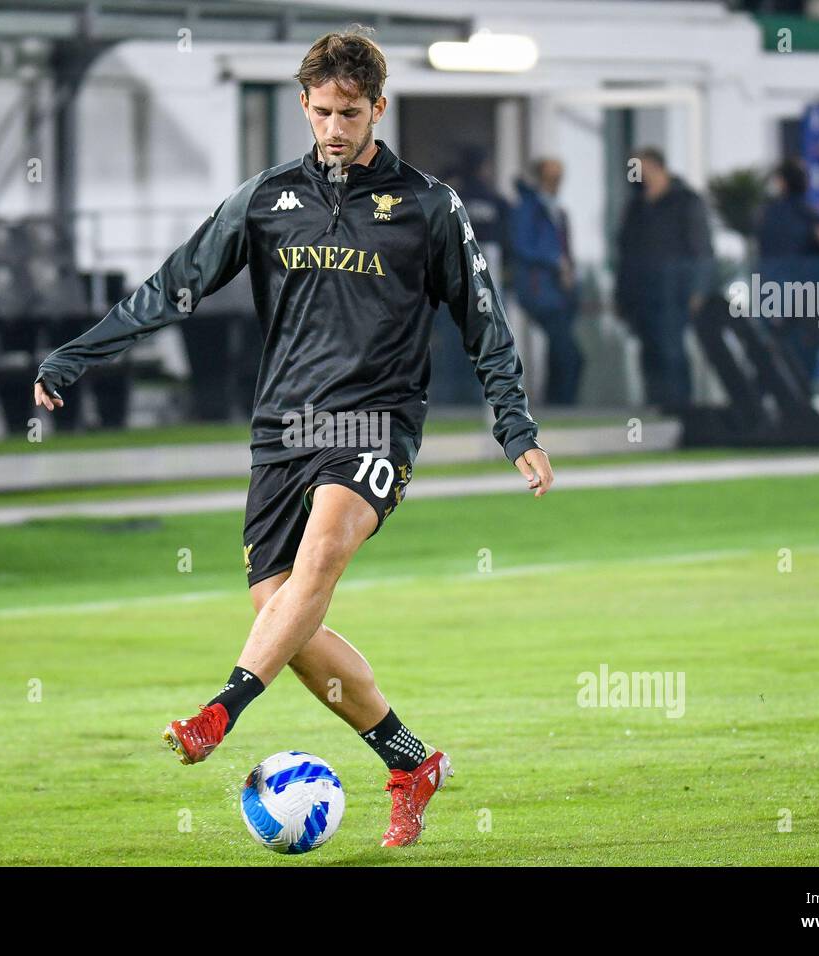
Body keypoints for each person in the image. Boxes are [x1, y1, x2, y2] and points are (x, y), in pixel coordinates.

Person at [32, 26, 553, 848]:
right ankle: (410, 760)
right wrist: (76, 355)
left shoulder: (427, 206)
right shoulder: (268, 199)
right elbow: (176, 284)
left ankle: (220, 711)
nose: (334, 128)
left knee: (319, 560)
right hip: (284, 428)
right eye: (320, 112)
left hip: (375, 424)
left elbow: (482, 321)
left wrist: (513, 424)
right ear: (304, 107)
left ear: (379, 107)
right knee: (286, 619)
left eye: (350, 112)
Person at [615, 147, 714, 410]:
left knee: (672, 351)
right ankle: (657, 406)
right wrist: (622, 296)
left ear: (657, 167)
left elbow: (702, 249)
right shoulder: (636, 206)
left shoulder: (686, 200)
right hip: (642, 294)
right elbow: (625, 253)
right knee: (650, 353)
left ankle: (682, 408)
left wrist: (698, 290)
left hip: (674, 292)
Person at [756, 158, 819, 382]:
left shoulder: (770, 214)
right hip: (809, 292)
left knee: (777, 352)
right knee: (805, 355)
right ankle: (800, 399)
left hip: (778, 292)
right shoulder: (811, 215)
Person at [510, 157, 583, 404]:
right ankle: (562, 403)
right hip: (540, 290)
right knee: (570, 353)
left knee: (560, 350)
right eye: (553, 177)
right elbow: (522, 246)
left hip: (558, 292)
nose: (557, 183)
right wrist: (555, 262)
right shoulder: (529, 208)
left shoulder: (556, 210)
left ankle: (556, 403)